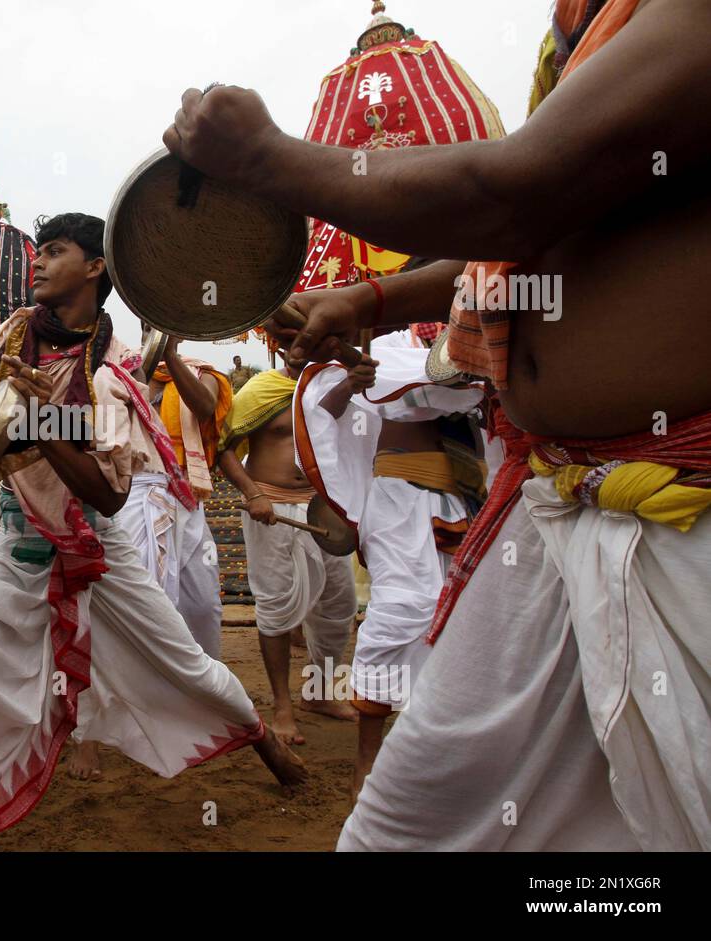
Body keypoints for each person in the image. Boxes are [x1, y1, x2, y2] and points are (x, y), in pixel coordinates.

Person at [166, 0, 711, 850]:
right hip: (556, 512)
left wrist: (267, 158)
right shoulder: (590, 35)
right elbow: (527, 237)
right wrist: (375, 297)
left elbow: (515, 194)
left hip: (684, 517)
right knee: (407, 829)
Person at [0, 213, 306, 850]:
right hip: (13, 548)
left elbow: (109, 492)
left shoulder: (114, 373)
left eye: (55, 251)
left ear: (96, 268)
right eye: (37, 251)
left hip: (99, 549)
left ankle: (264, 743)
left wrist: (40, 423)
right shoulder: (5, 339)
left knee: (189, 667)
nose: (36, 262)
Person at [296, 328, 485, 797]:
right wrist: (352, 383)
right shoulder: (386, 348)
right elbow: (326, 411)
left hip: (461, 499)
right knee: (401, 613)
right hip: (397, 499)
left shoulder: (473, 344)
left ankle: (427, 745)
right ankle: (368, 761)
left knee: (455, 619)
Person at [72, 329, 232, 781]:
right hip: (135, 494)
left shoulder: (199, 373)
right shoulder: (113, 373)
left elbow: (204, 412)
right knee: (126, 614)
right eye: (150, 323)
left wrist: (174, 355)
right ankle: (91, 735)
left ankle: (200, 706)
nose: (153, 332)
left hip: (185, 496)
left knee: (202, 606)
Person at [216, 353, 360, 747]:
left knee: (339, 604)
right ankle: (282, 706)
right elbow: (222, 445)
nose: (297, 347)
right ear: (277, 346)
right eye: (287, 338)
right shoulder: (261, 390)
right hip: (271, 508)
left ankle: (319, 693)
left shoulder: (335, 387)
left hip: (325, 508)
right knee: (276, 605)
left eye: (306, 336)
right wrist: (252, 492)